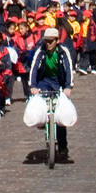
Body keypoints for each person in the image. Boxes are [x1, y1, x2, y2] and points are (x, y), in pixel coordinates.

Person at [28, 28, 74, 159]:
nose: (48, 44)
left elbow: (69, 68)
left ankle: (63, 145)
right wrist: (33, 86)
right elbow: (34, 68)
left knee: (60, 114)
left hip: (58, 81)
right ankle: (43, 122)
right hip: (44, 81)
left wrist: (68, 86)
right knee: (42, 104)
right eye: (46, 41)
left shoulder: (63, 51)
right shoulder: (40, 51)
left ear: (57, 41)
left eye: (51, 41)